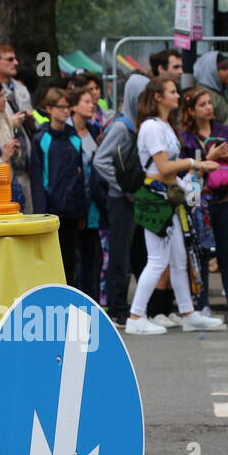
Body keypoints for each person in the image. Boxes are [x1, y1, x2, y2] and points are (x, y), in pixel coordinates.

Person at [123, 77, 224, 335]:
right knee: (157, 260)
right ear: (158, 96)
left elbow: (169, 171)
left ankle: (188, 314)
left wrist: (196, 172)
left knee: (179, 260)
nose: (177, 95)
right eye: (172, 91)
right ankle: (136, 316)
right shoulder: (152, 127)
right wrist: (195, 163)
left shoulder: (165, 126)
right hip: (155, 198)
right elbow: (164, 167)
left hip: (168, 195)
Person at [177, 85, 228, 322]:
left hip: (226, 197)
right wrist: (209, 158)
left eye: (209, 103)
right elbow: (189, 167)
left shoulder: (223, 130)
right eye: (202, 104)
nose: (209, 107)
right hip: (199, 197)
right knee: (201, 252)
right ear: (191, 110)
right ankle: (202, 303)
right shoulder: (185, 136)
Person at [93, 74, 149, 326]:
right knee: (120, 255)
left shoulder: (137, 124)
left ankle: (134, 306)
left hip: (133, 198)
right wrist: (123, 187)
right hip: (121, 199)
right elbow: (100, 160)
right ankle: (117, 308)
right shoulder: (121, 126)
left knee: (136, 253)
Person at [31, 87, 98, 296]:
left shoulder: (74, 138)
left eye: (67, 106)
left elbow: (81, 177)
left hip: (72, 209)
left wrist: (82, 212)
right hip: (51, 209)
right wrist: (40, 212)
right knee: (51, 261)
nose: (65, 111)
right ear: (49, 109)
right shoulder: (41, 138)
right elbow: (37, 177)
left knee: (71, 260)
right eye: (60, 107)